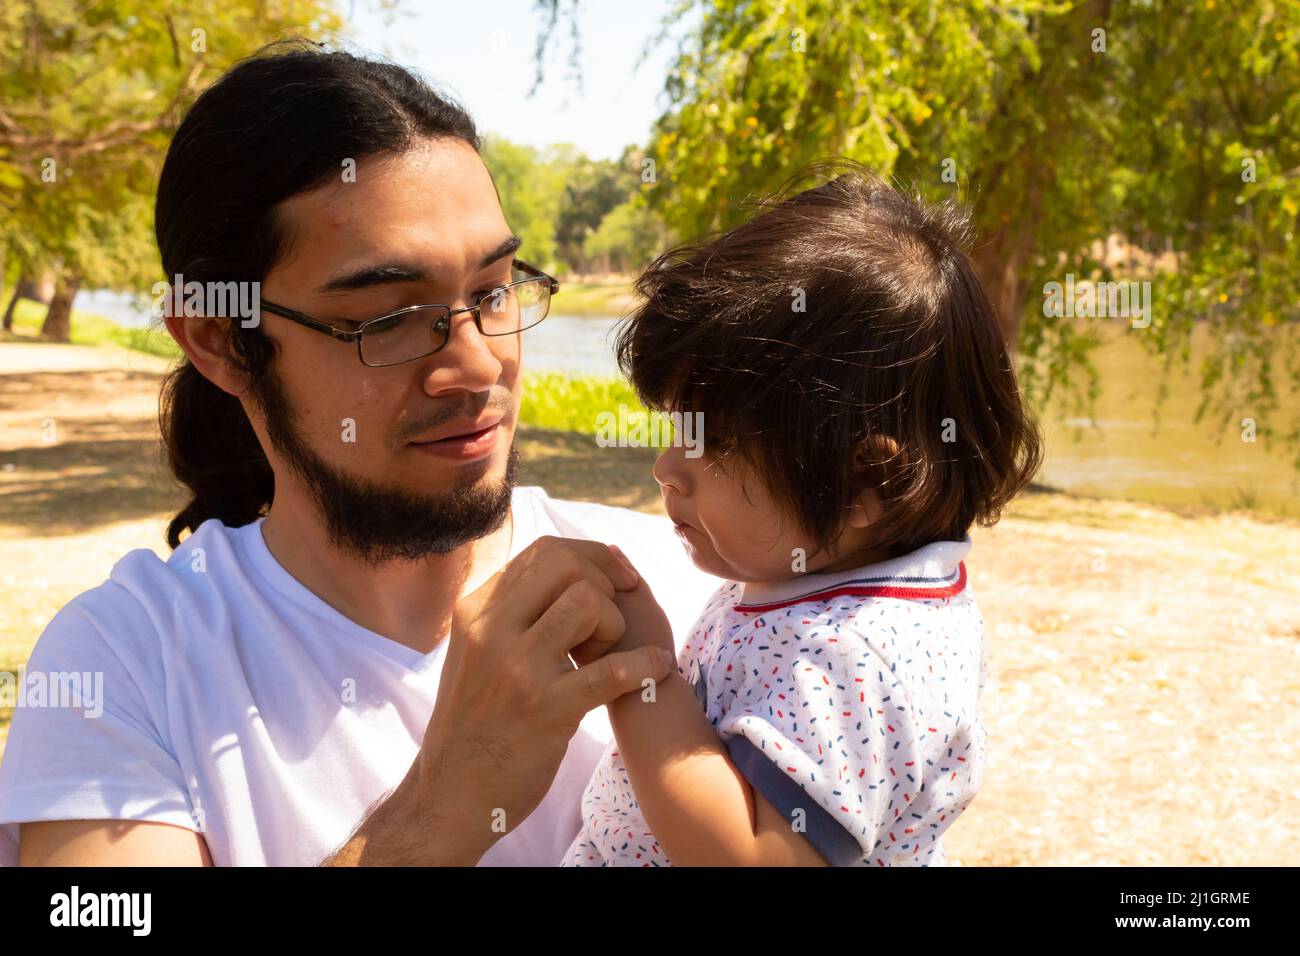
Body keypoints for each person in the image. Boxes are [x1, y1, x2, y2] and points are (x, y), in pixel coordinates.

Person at [0, 41, 722, 867]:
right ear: (218, 341)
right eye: (388, 318)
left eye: (491, 292)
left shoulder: (685, 584)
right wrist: (446, 801)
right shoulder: (125, 664)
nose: (479, 365)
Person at [559, 163, 1043, 866]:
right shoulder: (828, 585)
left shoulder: (847, 655)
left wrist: (642, 676)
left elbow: (755, 857)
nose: (667, 470)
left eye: (714, 443)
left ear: (862, 487)